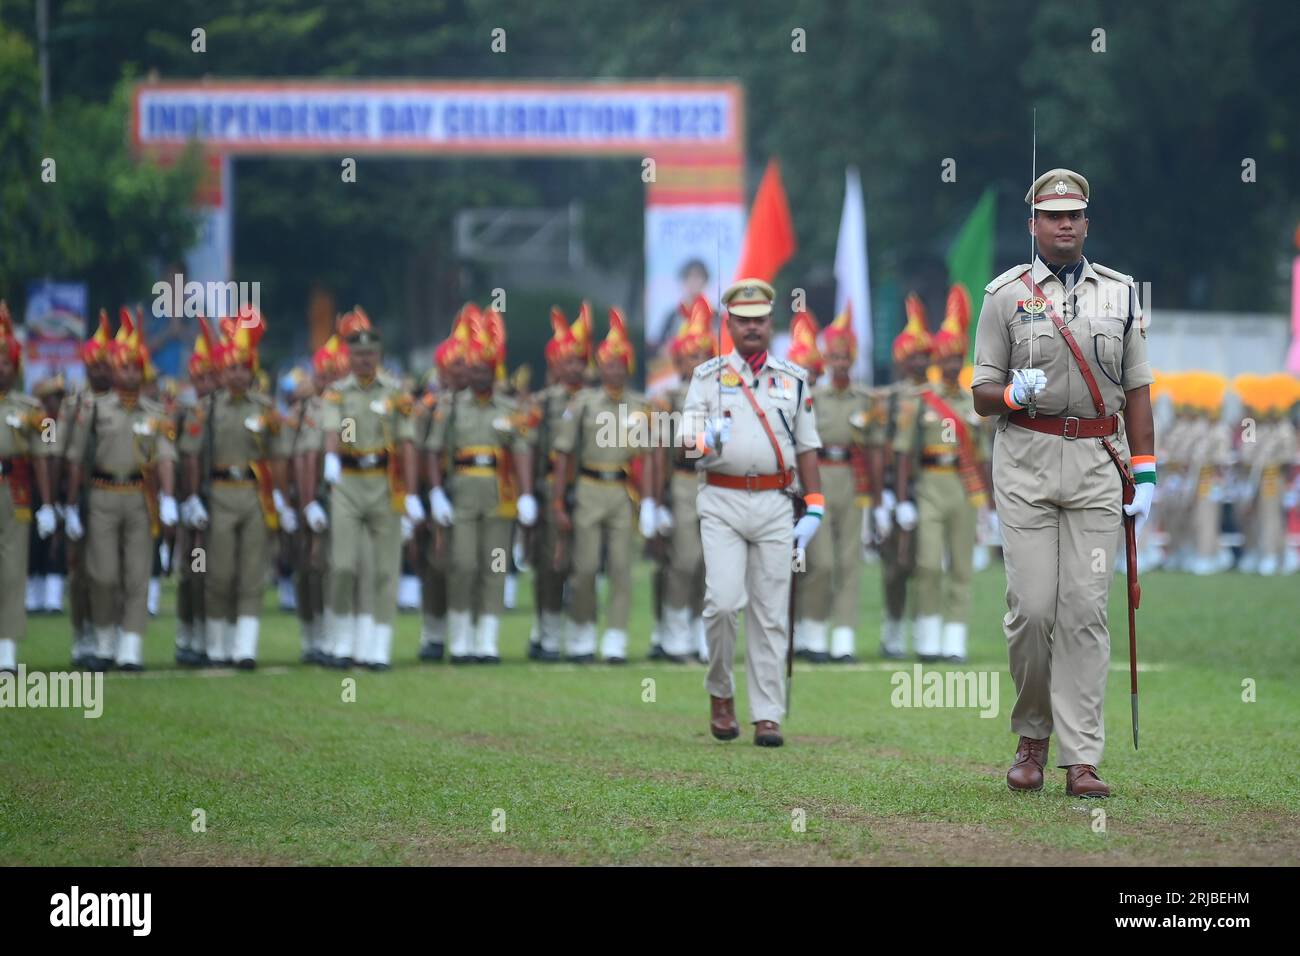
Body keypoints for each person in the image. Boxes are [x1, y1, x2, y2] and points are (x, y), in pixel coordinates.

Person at [971, 168, 1155, 798]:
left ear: (1086, 221)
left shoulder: (1124, 294)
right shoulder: (1004, 295)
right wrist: (1010, 394)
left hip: (1099, 465)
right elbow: (979, 394)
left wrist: (1147, 470)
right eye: (1054, 215)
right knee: (1032, 608)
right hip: (1025, 460)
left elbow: (1138, 390)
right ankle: (1032, 735)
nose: (1066, 224)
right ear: (1034, 225)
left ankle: (1081, 757)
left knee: (1085, 610)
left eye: (1076, 214)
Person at [682, 278, 824, 747]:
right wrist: (708, 441)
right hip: (721, 498)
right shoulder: (706, 377)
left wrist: (815, 508)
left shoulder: (793, 377)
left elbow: (807, 446)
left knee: (770, 610)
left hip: (775, 502)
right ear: (729, 324)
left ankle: (768, 713)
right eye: (742, 321)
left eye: (759, 320)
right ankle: (720, 692)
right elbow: (685, 443)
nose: (751, 328)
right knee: (722, 603)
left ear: (771, 323)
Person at [64, 309, 180, 671]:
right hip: (101, 493)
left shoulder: (154, 412)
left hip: (139, 497)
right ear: (113, 370)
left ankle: (130, 645)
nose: (130, 373)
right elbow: (75, 458)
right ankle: (103, 640)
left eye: (135, 367)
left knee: (137, 573)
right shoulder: (93, 409)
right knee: (101, 573)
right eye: (124, 367)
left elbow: (164, 456)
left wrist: (170, 498)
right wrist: (68, 505)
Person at [179, 310, 294, 669]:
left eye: (244, 368)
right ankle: (216, 645)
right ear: (221, 372)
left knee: (251, 572)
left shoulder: (267, 410)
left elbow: (277, 456)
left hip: (255, 495)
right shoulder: (206, 410)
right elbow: (191, 455)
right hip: (219, 495)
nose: (238, 375)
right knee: (218, 573)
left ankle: (244, 646)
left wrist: (281, 497)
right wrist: (193, 498)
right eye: (231, 369)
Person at [425, 308, 537, 663]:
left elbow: (520, 450)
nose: (478, 374)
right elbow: (433, 450)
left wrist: (527, 494)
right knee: (462, 564)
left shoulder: (508, 407)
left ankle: (486, 640)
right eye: (473, 368)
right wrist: (435, 493)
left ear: (494, 369)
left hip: (498, 494)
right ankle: (459, 639)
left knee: (495, 565)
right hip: (461, 491)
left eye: (484, 368)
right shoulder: (451, 406)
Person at [318, 308, 424, 670]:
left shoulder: (397, 395)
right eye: (358, 355)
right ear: (349, 356)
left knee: (384, 569)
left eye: (370, 355)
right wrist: (331, 459)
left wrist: (410, 492)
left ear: (379, 356)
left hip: (384, 482)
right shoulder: (336, 393)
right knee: (344, 565)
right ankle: (340, 641)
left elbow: (408, 443)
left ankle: (376, 645)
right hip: (347, 482)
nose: (364, 361)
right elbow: (333, 429)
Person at [550, 308, 656, 663]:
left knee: (622, 569)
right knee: (583, 568)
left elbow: (651, 455)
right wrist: (559, 502)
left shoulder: (641, 406)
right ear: (601, 367)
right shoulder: (583, 403)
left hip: (622, 492)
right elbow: (564, 453)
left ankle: (615, 639)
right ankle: (581, 636)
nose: (614, 370)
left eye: (620, 364)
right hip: (589, 486)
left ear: (628, 367)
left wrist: (652, 502)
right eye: (608, 364)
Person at [894, 289, 990, 663]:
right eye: (945, 359)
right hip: (930, 489)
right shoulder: (922, 400)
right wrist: (901, 500)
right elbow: (904, 453)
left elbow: (982, 457)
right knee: (928, 565)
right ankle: (928, 637)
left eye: (956, 359)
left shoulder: (972, 403)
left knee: (962, 569)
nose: (951, 365)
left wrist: (992, 505)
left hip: (965, 493)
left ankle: (954, 641)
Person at [808, 307, 874, 662]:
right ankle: (814, 633)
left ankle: (844, 638)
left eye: (845, 357)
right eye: (834, 357)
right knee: (820, 562)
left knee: (849, 559)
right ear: (826, 359)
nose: (840, 363)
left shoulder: (864, 399)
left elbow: (875, 445)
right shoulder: (813, 399)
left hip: (852, 477)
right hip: (819, 476)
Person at [870, 297, 932, 658]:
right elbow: (878, 451)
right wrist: (882, 501)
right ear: (901, 359)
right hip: (897, 490)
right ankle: (891, 630)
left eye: (925, 356)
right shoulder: (887, 400)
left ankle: (925, 635)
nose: (920, 362)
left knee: (926, 564)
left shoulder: (939, 396)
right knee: (896, 565)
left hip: (932, 487)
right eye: (914, 356)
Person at [526, 305, 590, 660]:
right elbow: (531, 449)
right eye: (567, 361)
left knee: (582, 564)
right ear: (554, 365)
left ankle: (580, 633)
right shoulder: (542, 403)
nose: (575, 367)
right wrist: (532, 492)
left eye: (580, 360)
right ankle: (547, 632)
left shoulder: (593, 400)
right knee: (550, 563)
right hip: (551, 486)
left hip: (588, 487)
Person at [653, 299, 714, 662]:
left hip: (718, 483)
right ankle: (673, 633)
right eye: (691, 357)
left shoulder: (725, 397)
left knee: (711, 563)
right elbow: (660, 453)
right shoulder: (667, 400)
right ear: (678, 363)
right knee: (684, 560)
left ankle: (701, 632)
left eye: (704, 355)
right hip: (683, 482)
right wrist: (656, 500)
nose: (697, 363)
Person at [0, 302, 57, 674]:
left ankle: (5, 653)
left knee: (11, 571)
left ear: (16, 367)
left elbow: (43, 456)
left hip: (13, 493)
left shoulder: (34, 410)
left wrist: (49, 505)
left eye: (5, 361)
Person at [785, 310, 833, 662]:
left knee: (821, 562)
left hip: (819, 484)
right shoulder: (779, 403)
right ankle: (786, 633)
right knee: (784, 564)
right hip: (785, 487)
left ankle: (814, 634)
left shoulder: (827, 402)